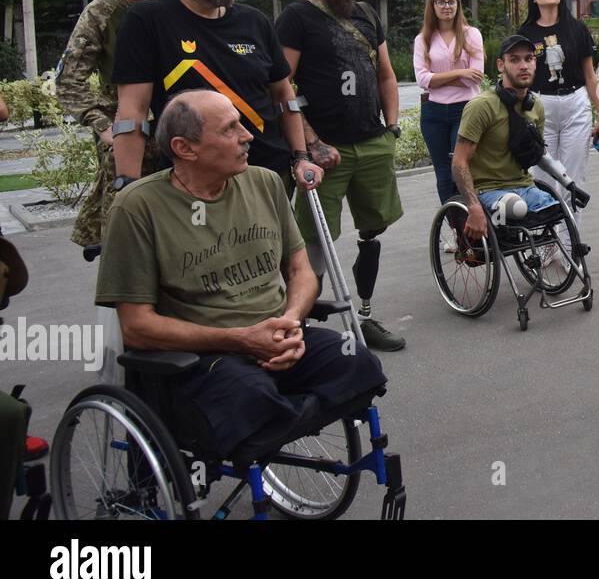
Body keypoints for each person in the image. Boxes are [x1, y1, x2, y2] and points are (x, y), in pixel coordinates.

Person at [94, 90, 387, 460]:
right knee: (252, 398)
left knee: (357, 362)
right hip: (206, 356)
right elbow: (137, 327)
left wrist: (291, 322)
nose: (248, 135)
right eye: (231, 129)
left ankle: (267, 423)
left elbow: (301, 270)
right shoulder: (138, 208)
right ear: (185, 148)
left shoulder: (264, 182)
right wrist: (242, 339)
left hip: (278, 334)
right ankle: (261, 424)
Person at [111, 0, 322, 197]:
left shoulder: (255, 22)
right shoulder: (147, 21)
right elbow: (132, 112)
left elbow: (284, 98)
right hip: (195, 182)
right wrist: (127, 186)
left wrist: (300, 157)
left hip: (269, 176)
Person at [276, 0, 406, 352]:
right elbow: (282, 89)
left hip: (372, 144)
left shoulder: (366, 13)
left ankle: (364, 316)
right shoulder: (296, 18)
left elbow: (386, 73)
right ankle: (300, 329)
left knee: (373, 229)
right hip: (325, 153)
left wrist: (392, 127)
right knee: (313, 241)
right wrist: (310, 142)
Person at [55, 0, 172, 250]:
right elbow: (69, 80)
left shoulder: (174, 8)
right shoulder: (102, 12)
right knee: (125, 206)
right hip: (120, 118)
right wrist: (103, 125)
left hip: (173, 115)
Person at [518, 0, 599, 248]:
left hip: (575, 105)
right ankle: (545, 246)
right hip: (539, 107)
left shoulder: (577, 29)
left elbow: (590, 76)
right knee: (542, 179)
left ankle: (570, 246)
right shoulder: (524, 34)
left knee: (572, 179)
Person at [451, 35, 558, 246]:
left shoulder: (536, 105)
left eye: (529, 59)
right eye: (515, 60)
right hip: (488, 191)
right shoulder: (481, 106)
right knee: (516, 206)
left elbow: (539, 153)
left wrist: (570, 185)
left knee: (559, 206)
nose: (524, 66)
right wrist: (473, 206)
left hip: (525, 187)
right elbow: (459, 161)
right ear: (501, 65)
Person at [414, 0, 484, 219]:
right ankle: (457, 230)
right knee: (443, 176)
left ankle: (472, 227)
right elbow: (423, 80)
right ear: (432, 6)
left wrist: (439, 79)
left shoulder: (471, 34)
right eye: (441, 2)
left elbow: (476, 77)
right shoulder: (423, 39)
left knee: (461, 170)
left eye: (451, 1)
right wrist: (460, 73)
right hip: (433, 114)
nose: (446, 6)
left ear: (458, 5)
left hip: (465, 110)